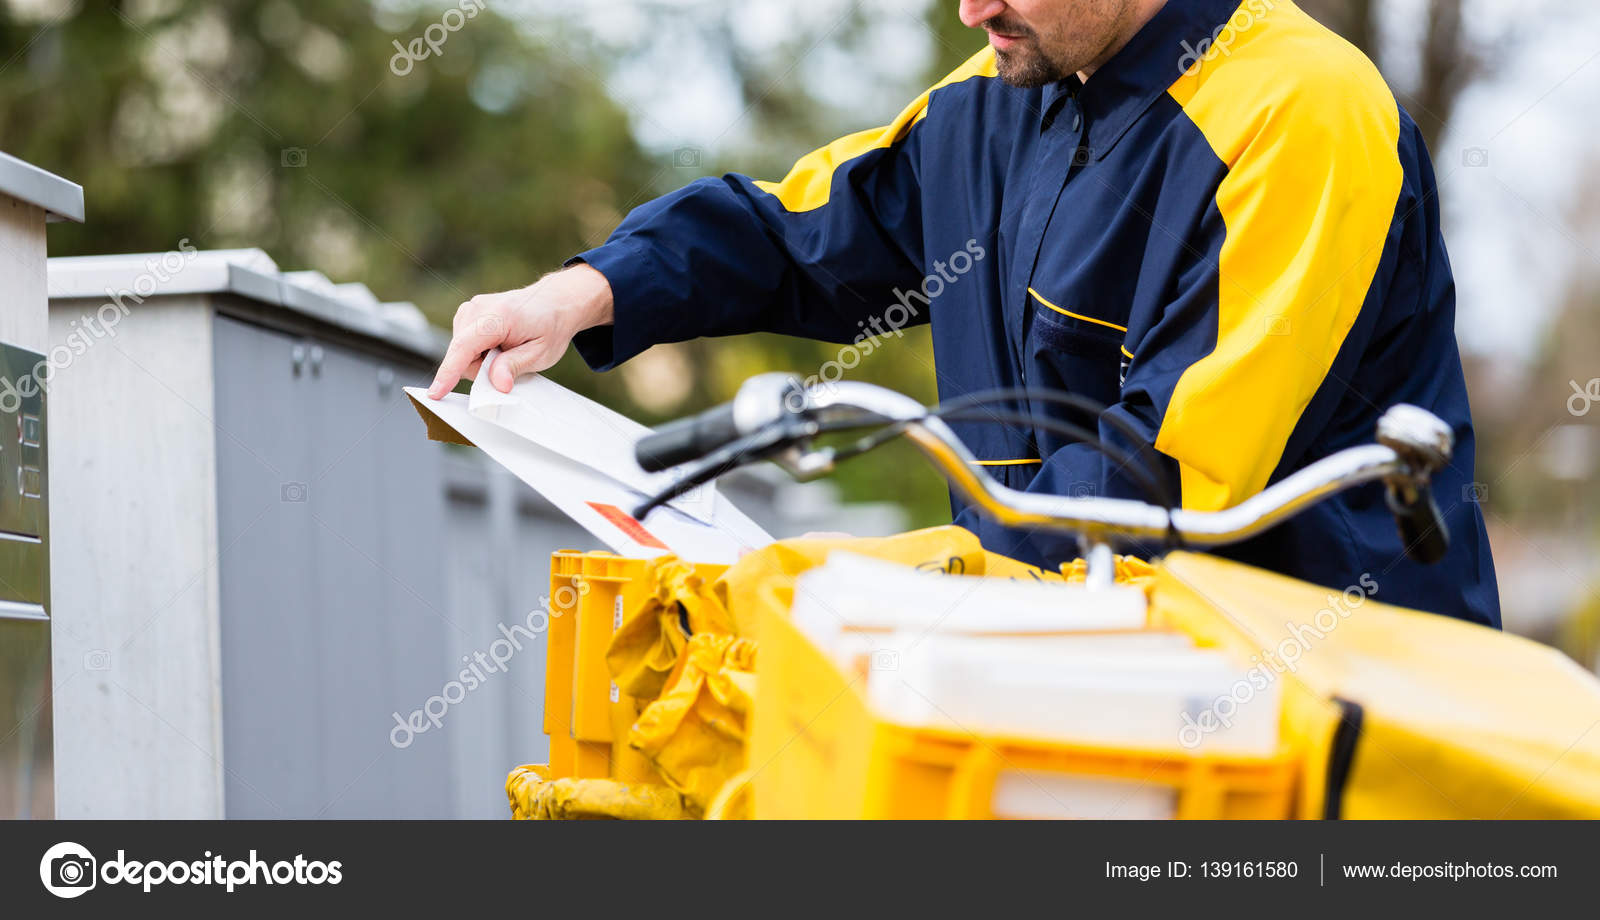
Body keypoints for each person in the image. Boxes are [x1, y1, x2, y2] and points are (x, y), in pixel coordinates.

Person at [428, 0, 1501, 627]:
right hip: (1075, 683)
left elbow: (1157, 487)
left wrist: (870, 586)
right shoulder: (996, 95)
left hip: (1335, 727)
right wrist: (585, 291)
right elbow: (798, 233)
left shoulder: (1305, 116)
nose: (970, 8)